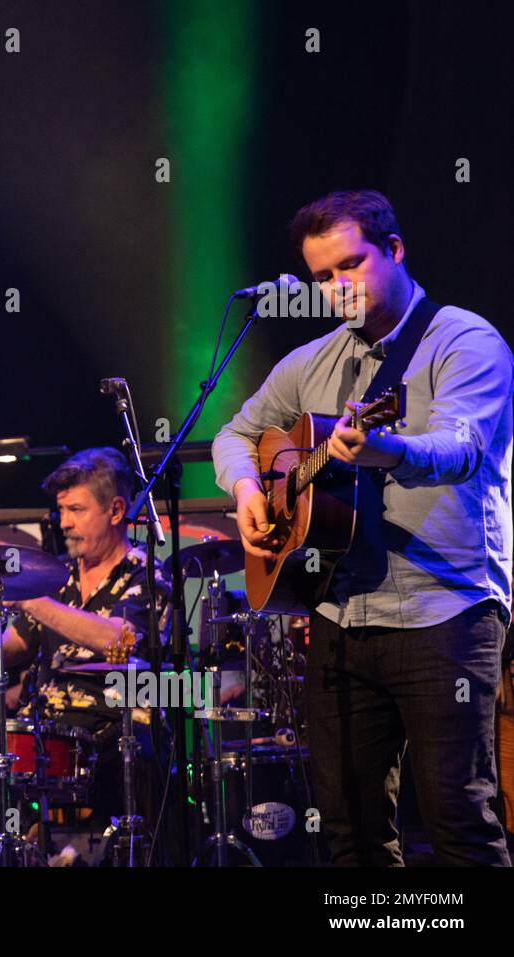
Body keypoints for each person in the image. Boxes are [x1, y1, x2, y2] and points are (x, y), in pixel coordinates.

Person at [212, 189, 512, 866]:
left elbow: (461, 448)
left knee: (459, 817)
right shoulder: (312, 361)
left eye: (350, 265)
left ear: (395, 250)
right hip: (341, 619)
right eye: (321, 278)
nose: (336, 287)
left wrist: (387, 448)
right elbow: (235, 432)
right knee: (349, 832)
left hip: (446, 611)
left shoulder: (465, 341)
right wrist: (245, 489)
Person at [0, 447, 171, 832]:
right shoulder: (56, 576)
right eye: (61, 510)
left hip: (112, 734)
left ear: (115, 510)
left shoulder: (147, 575)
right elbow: (15, 645)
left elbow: (120, 639)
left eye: (76, 510)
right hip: (45, 730)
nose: (64, 522)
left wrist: (29, 599)